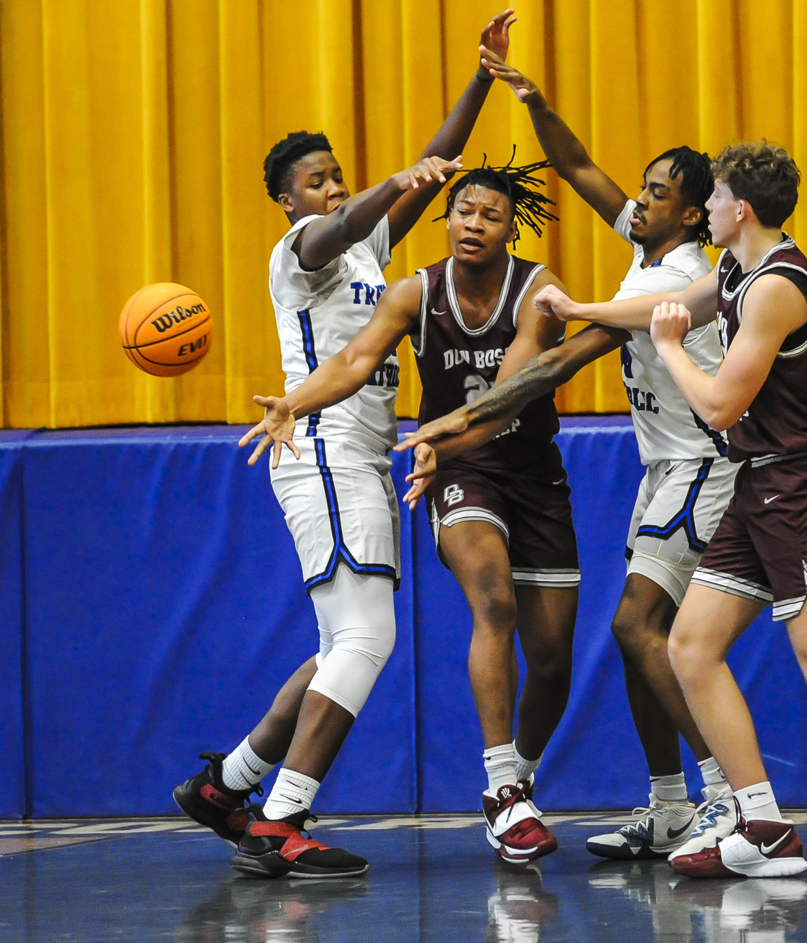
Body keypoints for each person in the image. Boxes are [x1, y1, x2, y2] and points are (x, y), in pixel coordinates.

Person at [531, 140, 807, 879]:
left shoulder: (777, 284)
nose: (704, 206)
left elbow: (717, 400)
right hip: (758, 483)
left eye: (713, 197)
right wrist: (580, 306)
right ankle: (762, 822)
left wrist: (674, 348)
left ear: (740, 208)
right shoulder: (736, 265)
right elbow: (660, 306)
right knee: (690, 646)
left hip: (805, 485)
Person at [170, 9, 516, 880]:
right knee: (368, 639)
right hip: (320, 445)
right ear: (288, 200)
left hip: (363, 454)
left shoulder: (369, 243)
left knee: (342, 642)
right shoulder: (300, 246)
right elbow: (340, 226)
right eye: (316, 181)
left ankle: (230, 785)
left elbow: (438, 163)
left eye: (337, 177)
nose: (331, 190)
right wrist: (390, 185)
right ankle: (280, 819)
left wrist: (479, 80)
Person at [399, 45, 737, 861]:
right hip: (665, 470)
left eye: (656, 193)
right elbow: (579, 166)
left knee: (637, 626)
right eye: (646, 189)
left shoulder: (676, 276)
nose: (638, 200)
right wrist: (534, 101)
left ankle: (730, 796)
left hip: (705, 465)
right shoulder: (649, 249)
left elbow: (555, 360)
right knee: (632, 632)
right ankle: (668, 804)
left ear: (688, 214)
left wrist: (447, 425)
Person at [239, 154, 578, 867]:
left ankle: (520, 774)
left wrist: (441, 432)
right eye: (462, 211)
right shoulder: (412, 291)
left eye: (489, 214)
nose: (472, 223)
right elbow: (355, 360)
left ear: (511, 226)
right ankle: (499, 790)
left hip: (527, 468)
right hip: (459, 470)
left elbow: (508, 394)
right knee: (491, 603)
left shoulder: (538, 289)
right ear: (446, 219)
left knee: (549, 658)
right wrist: (295, 401)